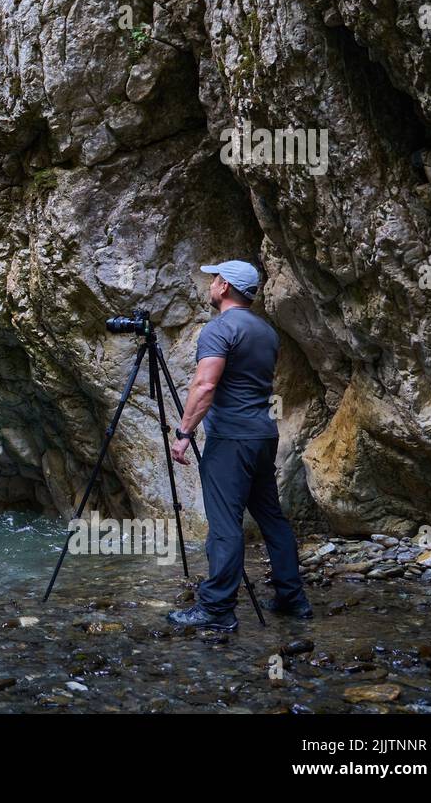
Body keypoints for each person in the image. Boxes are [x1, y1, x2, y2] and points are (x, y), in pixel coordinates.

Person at [165, 260, 312, 631]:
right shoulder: (266, 331)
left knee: (225, 525)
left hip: (231, 439)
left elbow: (205, 386)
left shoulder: (219, 330)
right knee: (271, 519)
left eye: (215, 278)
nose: (211, 284)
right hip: (263, 435)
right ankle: (292, 599)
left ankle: (216, 609)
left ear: (226, 286)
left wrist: (184, 434)